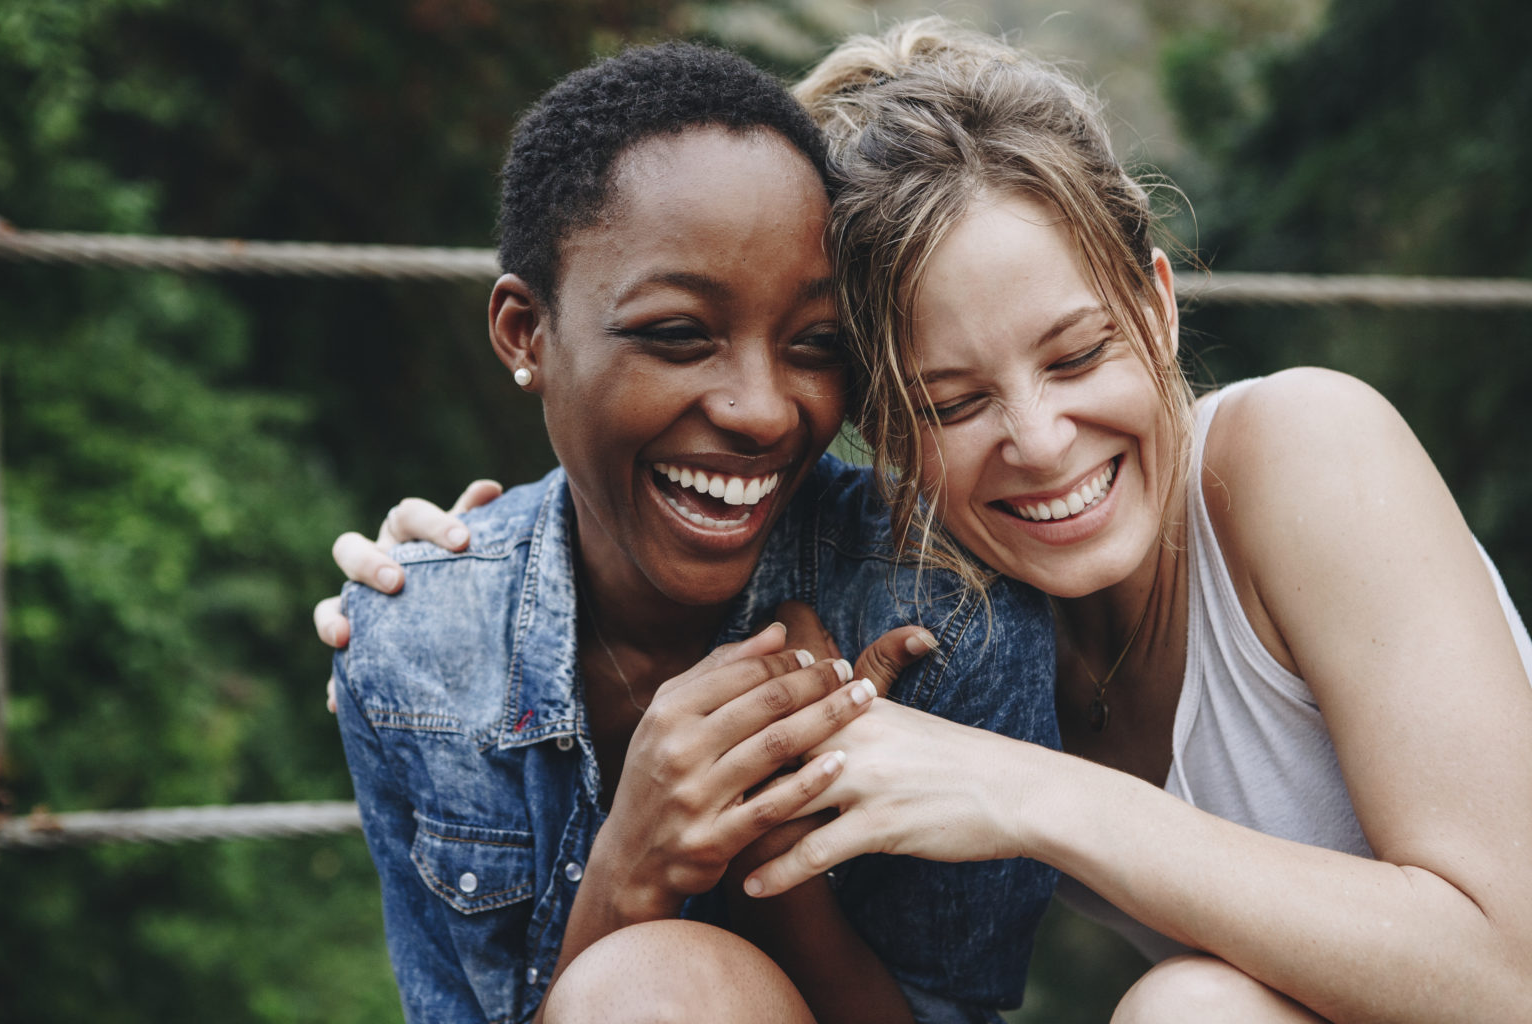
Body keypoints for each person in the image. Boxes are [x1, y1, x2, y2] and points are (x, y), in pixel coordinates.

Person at [332, 19, 1532, 1024]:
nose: (1043, 439)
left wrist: (1041, 794)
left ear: (1157, 307)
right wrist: (468, 579)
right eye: (952, 401)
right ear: (882, 431)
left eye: (1079, 354)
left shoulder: (1302, 451)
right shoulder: (957, 610)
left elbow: (1510, 966)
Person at [324, 39, 1058, 1024]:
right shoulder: (416, 648)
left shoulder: (944, 614)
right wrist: (634, 862)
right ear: (524, 333)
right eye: (678, 334)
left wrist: (780, 853)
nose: (762, 410)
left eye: (816, 345)